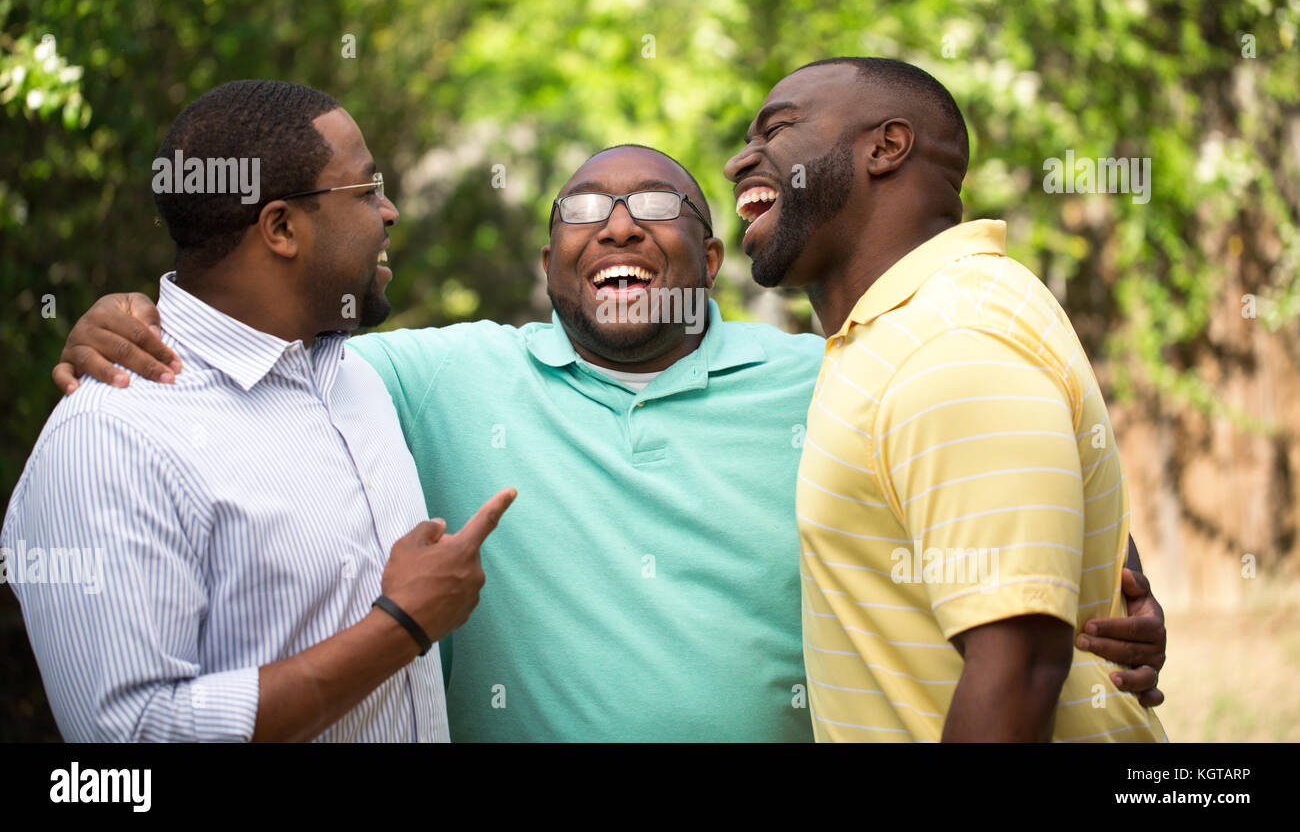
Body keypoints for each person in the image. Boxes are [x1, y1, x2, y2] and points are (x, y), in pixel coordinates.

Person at [47, 142, 1166, 741]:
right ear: (549, 265)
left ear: (712, 261)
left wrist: (1116, 591)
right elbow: (260, 351)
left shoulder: (828, 378)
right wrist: (134, 316)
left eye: (658, 206)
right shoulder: (429, 379)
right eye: (581, 211)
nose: (618, 224)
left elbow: (1000, 473)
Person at [2, 80, 515, 742]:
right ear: (281, 228)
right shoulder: (111, 436)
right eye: (367, 190)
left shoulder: (356, 377)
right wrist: (402, 626)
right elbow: (132, 734)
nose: (389, 212)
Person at [725, 56, 1167, 741]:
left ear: (886, 146)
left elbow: (1020, 670)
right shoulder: (902, 331)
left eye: (775, 130)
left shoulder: (953, 339)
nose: (738, 161)